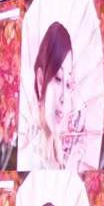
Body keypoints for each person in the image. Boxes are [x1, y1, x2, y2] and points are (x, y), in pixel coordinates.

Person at [32, 23, 82, 169]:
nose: (64, 98)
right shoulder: (28, 154)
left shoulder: (63, 158)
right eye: (58, 79)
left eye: (68, 84)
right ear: (40, 80)